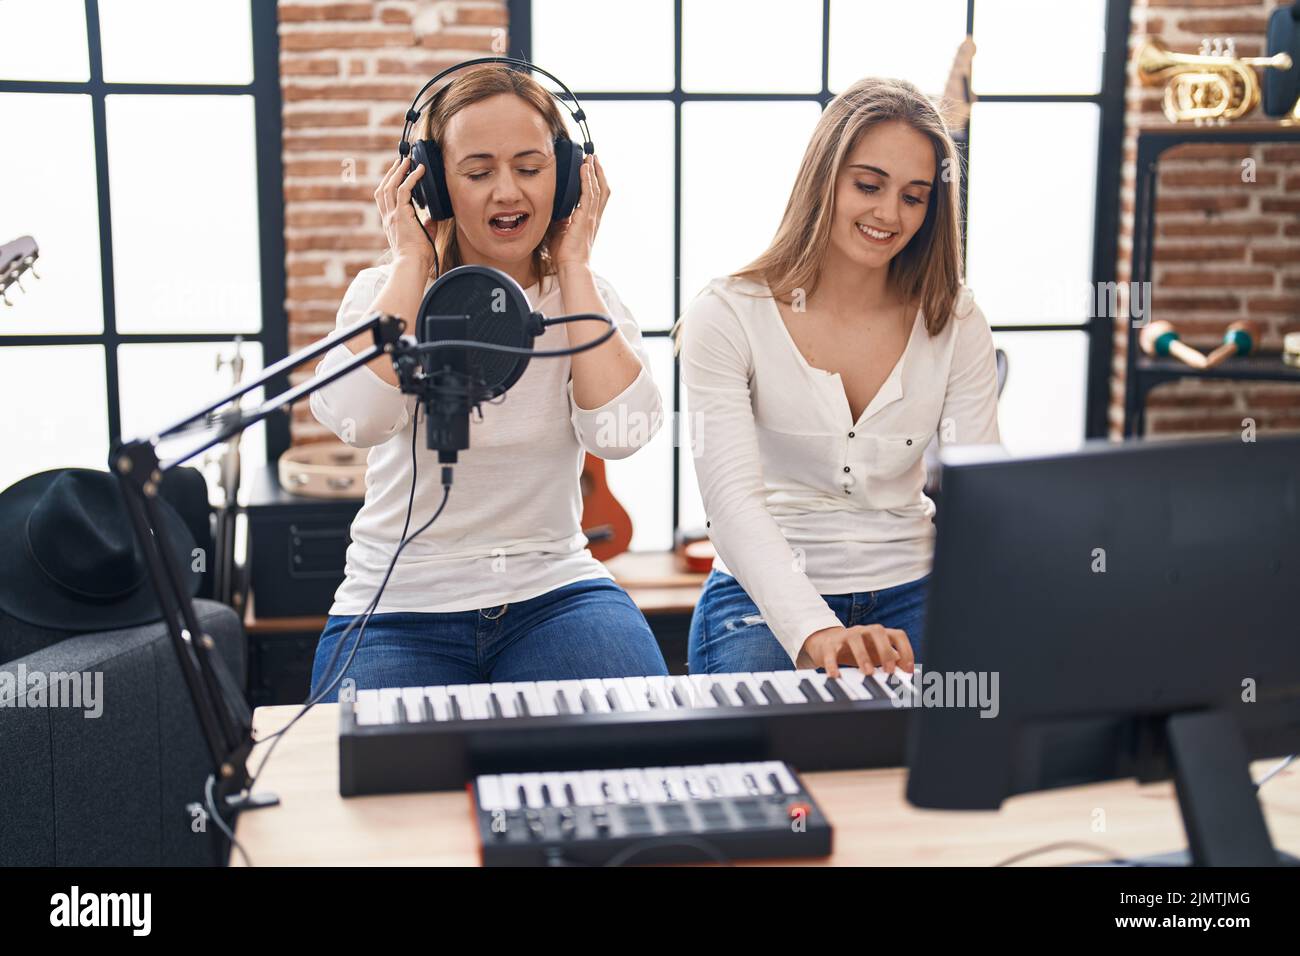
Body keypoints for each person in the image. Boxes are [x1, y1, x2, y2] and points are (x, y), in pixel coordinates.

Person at [308, 64, 668, 700]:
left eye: (530, 169)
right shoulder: (383, 294)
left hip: (554, 592)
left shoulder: (587, 298)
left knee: (636, 740)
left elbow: (622, 434)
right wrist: (413, 262)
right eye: (477, 173)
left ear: (564, 179)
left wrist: (575, 266)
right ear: (435, 187)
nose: (508, 192)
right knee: (385, 783)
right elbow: (359, 419)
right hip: (398, 604)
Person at [676, 77, 1000, 679]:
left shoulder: (955, 318)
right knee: (763, 756)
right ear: (824, 179)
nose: (889, 213)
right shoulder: (724, 314)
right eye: (868, 185)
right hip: (760, 596)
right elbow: (733, 508)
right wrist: (817, 631)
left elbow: (982, 491)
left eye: (914, 195)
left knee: (977, 736)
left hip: (917, 589)